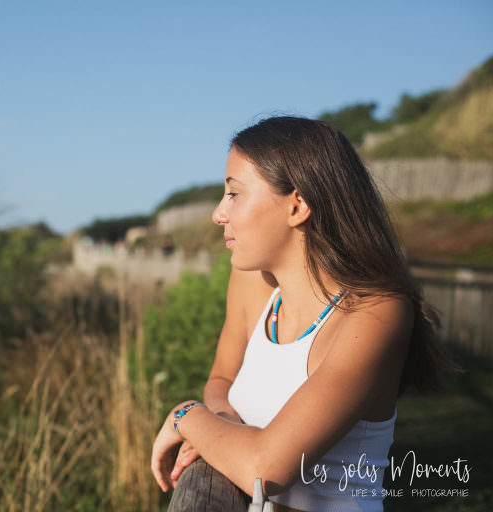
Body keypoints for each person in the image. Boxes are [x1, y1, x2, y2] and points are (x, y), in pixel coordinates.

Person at [150, 116, 455, 512]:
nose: (217, 214)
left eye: (234, 194)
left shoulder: (375, 313)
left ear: (298, 205)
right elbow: (221, 380)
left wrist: (185, 416)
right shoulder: (254, 282)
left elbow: (266, 469)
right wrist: (221, 428)